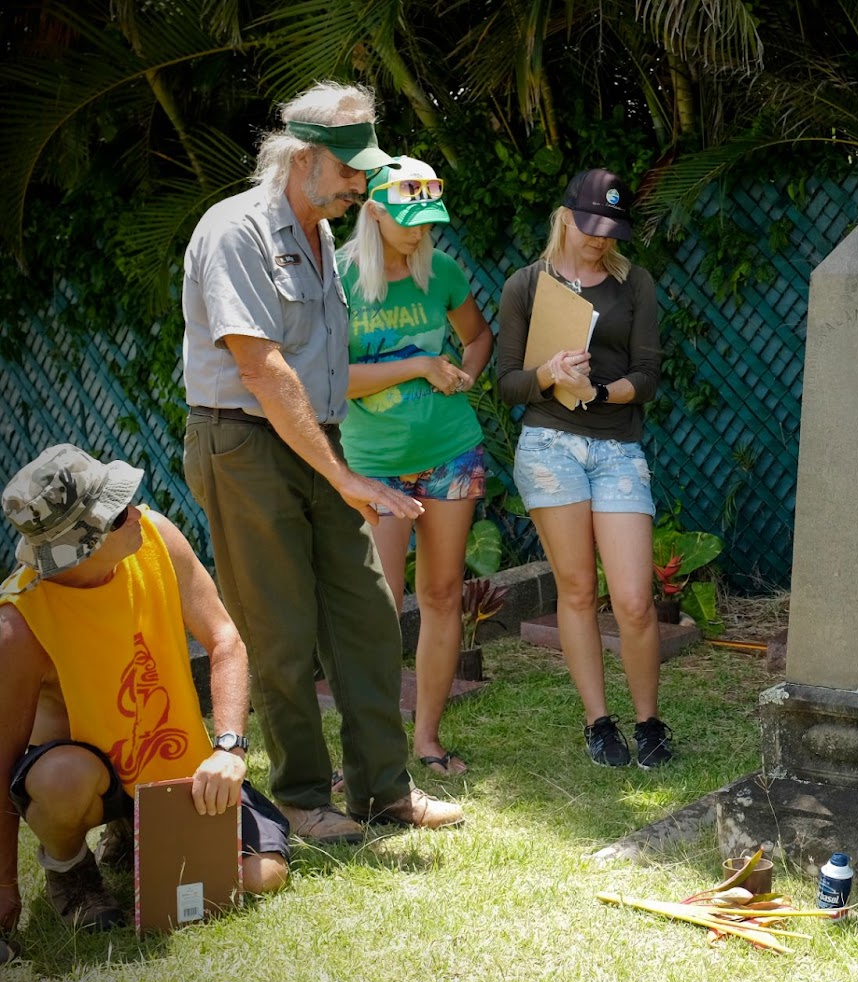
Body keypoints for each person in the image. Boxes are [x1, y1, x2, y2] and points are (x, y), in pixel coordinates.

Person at [180, 81, 463, 841]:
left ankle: (384, 792)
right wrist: (346, 477)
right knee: (279, 628)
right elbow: (262, 368)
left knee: (368, 614)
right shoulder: (234, 230)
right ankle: (302, 799)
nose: (359, 184)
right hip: (242, 445)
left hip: (318, 442)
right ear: (304, 157)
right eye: (348, 169)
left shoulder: (325, 239)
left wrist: (337, 465)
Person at [0, 445, 291, 938]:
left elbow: (225, 641)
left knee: (263, 876)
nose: (134, 512)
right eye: (115, 513)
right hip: (87, 778)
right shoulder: (18, 623)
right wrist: (5, 886)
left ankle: (136, 836)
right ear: (80, 546)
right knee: (62, 779)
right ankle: (72, 872)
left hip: (175, 771)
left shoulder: (157, 536)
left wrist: (228, 748)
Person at [494, 168, 673, 769]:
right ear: (566, 216)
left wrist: (601, 391)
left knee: (634, 600)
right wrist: (550, 376)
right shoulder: (526, 285)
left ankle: (650, 723)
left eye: (611, 230)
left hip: (617, 448)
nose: (601, 240)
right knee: (576, 590)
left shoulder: (635, 284)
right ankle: (599, 723)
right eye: (592, 227)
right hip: (548, 446)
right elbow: (508, 383)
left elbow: (648, 374)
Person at [337, 155, 493, 778]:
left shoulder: (441, 271)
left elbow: (478, 338)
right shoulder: (340, 278)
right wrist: (421, 365)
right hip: (373, 465)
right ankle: (373, 752)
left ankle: (426, 739)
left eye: (427, 222)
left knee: (441, 594)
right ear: (373, 209)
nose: (419, 233)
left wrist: (466, 378)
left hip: (450, 452)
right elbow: (330, 381)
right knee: (378, 606)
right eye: (408, 221)